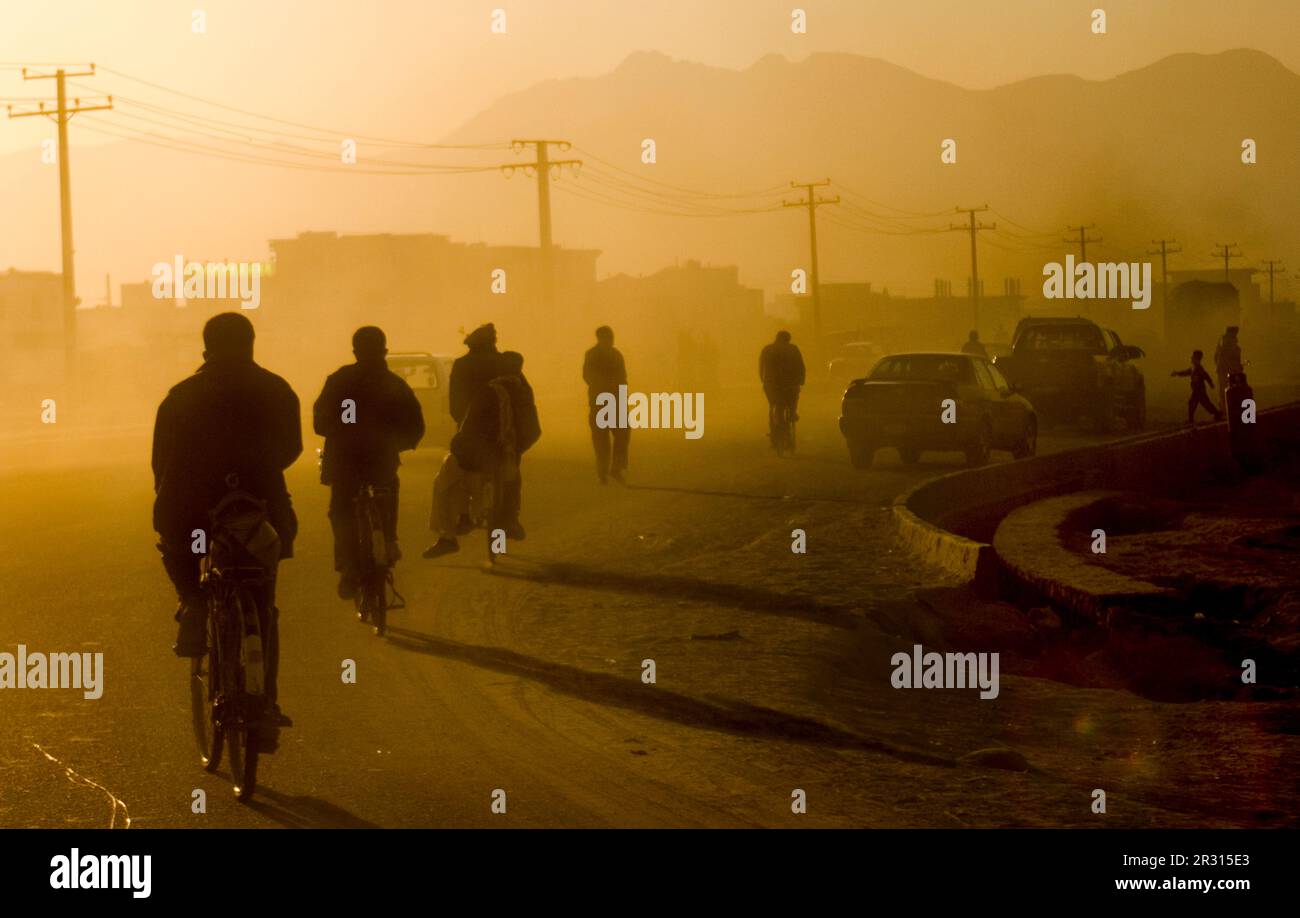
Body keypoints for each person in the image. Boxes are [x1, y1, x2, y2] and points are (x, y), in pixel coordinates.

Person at [152, 311, 299, 725]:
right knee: (263, 604)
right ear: (252, 344)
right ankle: (265, 702)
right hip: (259, 513)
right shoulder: (277, 389)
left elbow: (159, 464)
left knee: (178, 543)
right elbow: (291, 449)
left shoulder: (180, 395)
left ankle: (194, 601)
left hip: (192, 514)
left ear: (206, 349)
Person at [313, 326, 425, 599]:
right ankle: (389, 541)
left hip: (344, 461)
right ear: (384, 350)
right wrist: (397, 443)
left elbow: (320, 422)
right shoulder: (395, 384)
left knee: (340, 511)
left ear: (355, 351)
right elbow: (415, 426)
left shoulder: (339, 380)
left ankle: (348, 569)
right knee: (387, 496)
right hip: (381, 459)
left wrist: (341, 431)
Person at [424, 350, 540, 558]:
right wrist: (514, 450)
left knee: (442, 483)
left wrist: (457, 447)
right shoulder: (524, 393)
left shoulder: (488, 391)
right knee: (509, 491)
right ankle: (507, 529)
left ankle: (447, 537)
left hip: (479, 457)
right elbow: (533, 430)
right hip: (507, 458)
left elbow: (468, 428)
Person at [583, 325, 629, 484]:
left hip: (617, 402)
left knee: (622, 435)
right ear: (600, 338)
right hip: (600, 403)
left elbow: (623, 378)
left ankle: (616, 468)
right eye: (608, 337)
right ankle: (602, 471)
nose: (611, 340)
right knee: (601, 439)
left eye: (611, 337)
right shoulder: (592, 355)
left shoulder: (617, 355)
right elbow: (588, 376)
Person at [759, 330, 806, 446]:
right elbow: (801, 366)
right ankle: (793, 412)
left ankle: (774, 433)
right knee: (793, 399)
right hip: (790, 384)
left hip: (771, 385)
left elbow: (761, 368)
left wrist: (763, 381)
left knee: (773, 405)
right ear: (788, 339)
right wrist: (801, 380)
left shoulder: (767, 349)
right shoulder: (793, 349)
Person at [1172, 350, 1223, 425]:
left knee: (1201, 403)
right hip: (1197, 390)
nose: (1191, 358)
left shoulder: (1199, 368)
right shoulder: (1194, 368)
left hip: (1199, 390)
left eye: (1193, 357)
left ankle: (1216, 414)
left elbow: (1206, 375)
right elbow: (1186, 372)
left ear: (1196, 359)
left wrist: (1210, 383)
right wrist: (1177, 373)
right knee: (1201, 403)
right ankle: (1217, 414)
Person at [1214, 326, 1243, 411]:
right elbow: (1228, 356)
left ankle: (1226, 408)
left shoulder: (1224, 341)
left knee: (1226, 389)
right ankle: (1225, 408)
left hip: (1226, 369)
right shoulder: (1226, 340)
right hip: (1226, 369)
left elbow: (1217, 357)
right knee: (1225, 389)